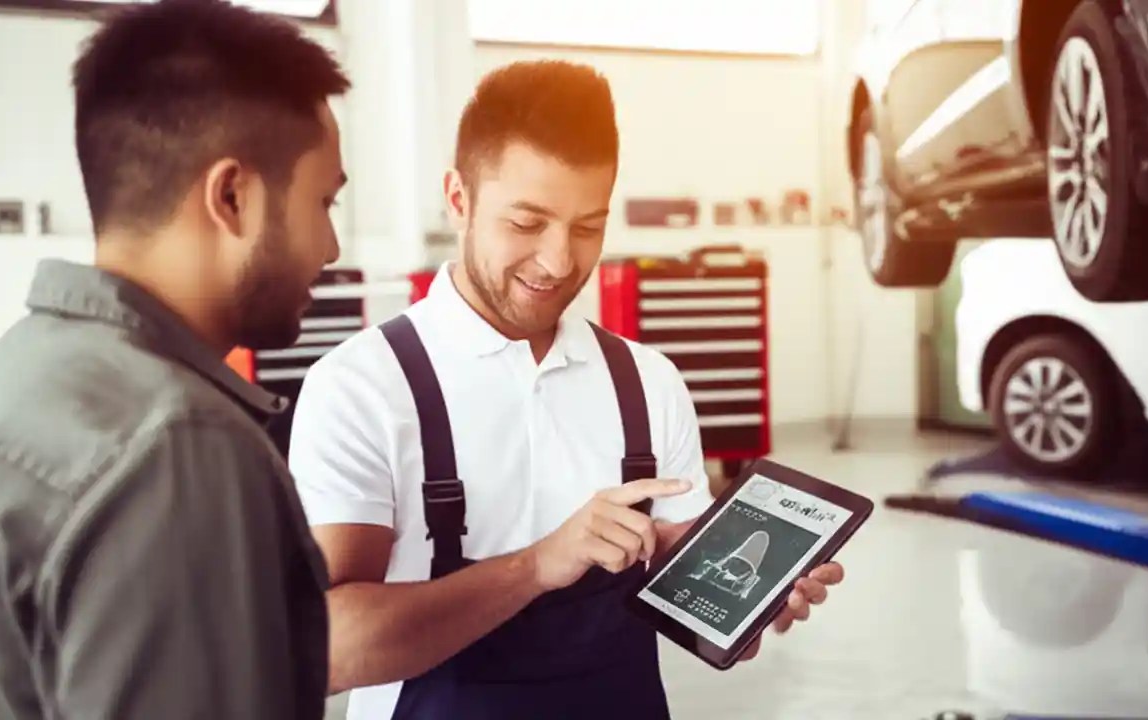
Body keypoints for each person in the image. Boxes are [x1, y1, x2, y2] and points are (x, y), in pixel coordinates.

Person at [288, 59, 844, 720]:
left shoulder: (649, 383)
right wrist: (538, 565)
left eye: (587, 228)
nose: (558, 262)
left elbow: (703, 622)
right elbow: (334, 649)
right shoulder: (361, 387)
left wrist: (750, 602)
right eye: (526, 224)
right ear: (459, 199)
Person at [0, 2, 349, 718]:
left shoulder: (24, 365)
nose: (332, 249)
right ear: (232, 197)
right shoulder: (181, 445)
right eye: (324, 203)